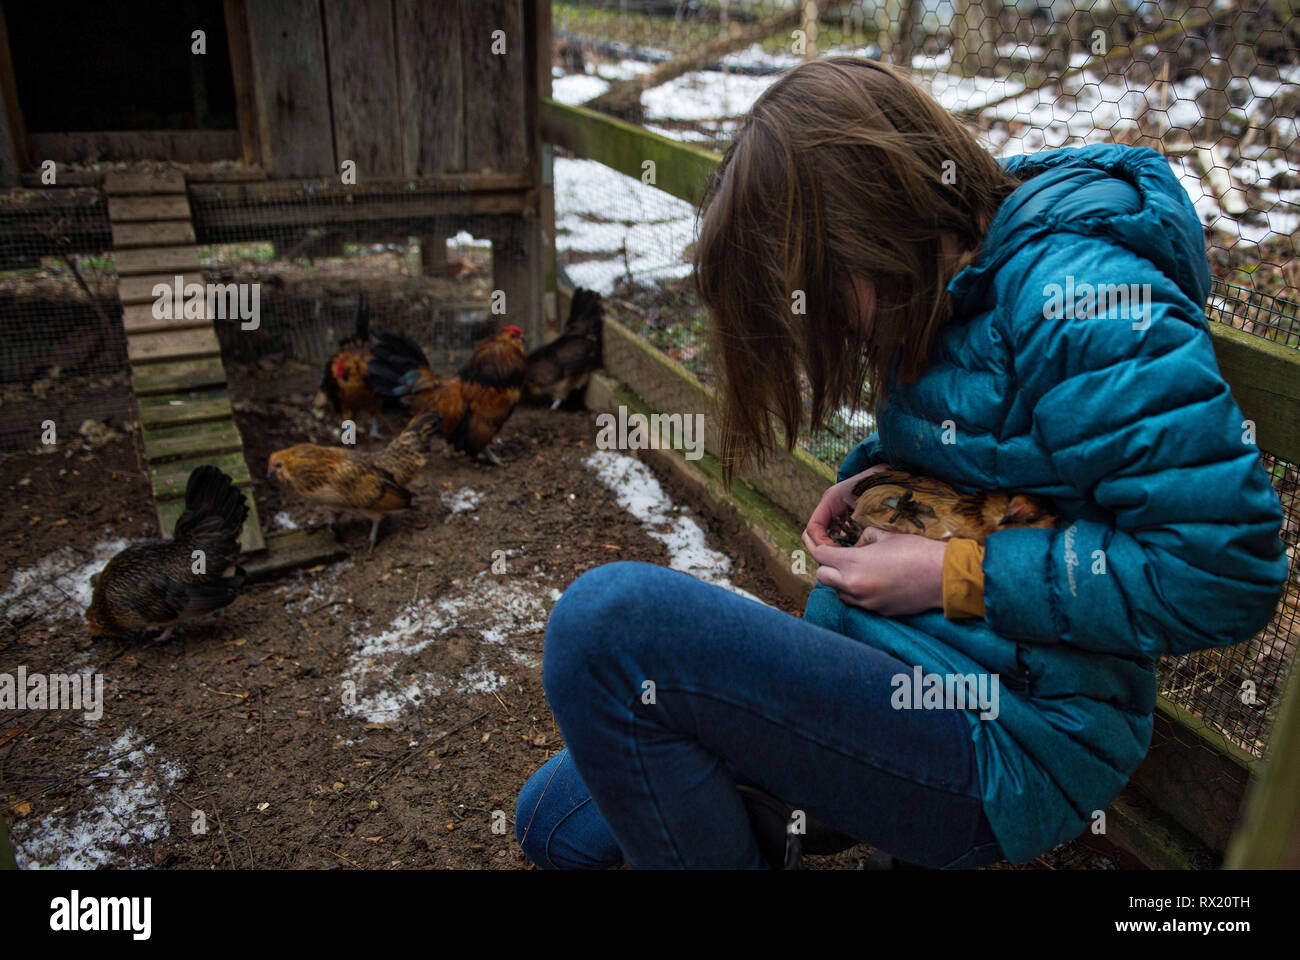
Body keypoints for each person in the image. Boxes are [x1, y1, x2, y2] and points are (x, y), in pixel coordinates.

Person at [515, 57, 1287, 869]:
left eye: (817, 288)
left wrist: (953, 574)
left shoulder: (1082, 302)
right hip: (882, 668)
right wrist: (874, 481)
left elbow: (1222, 574)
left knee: (606, 632)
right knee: (554, 821)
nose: (825, 327)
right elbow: (989, 447)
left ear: (869, 227)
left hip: (1009, 732)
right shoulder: (946, 262)